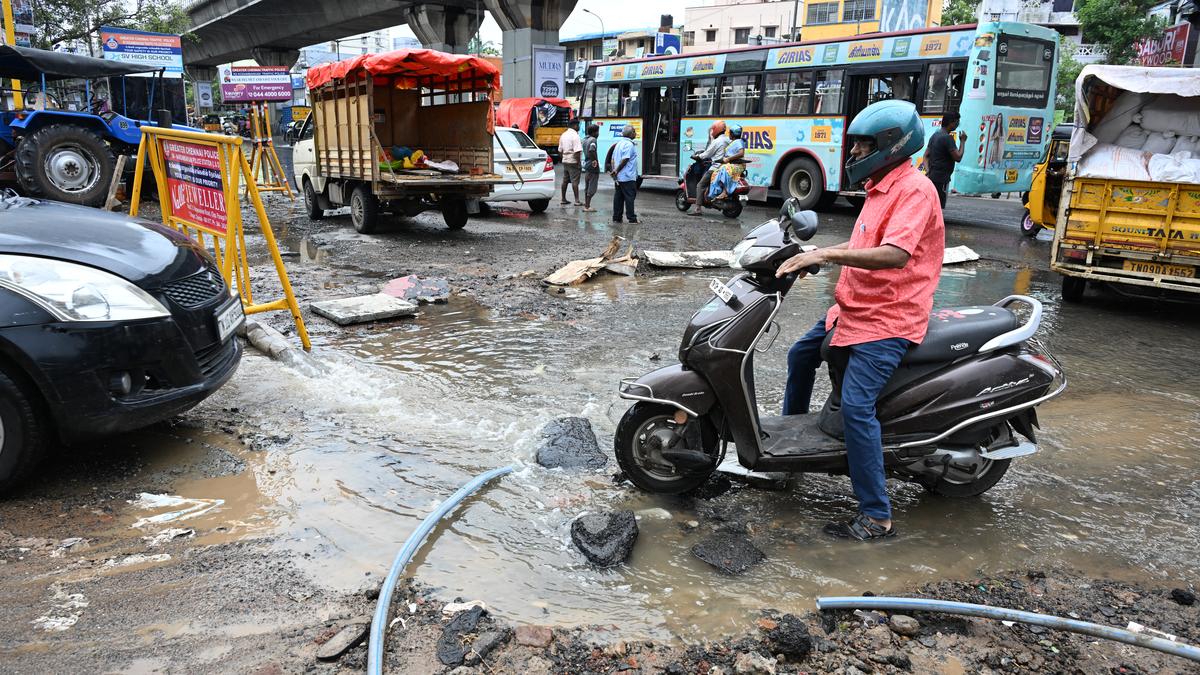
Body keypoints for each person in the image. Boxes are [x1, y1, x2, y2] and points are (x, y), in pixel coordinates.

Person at [775, 100, 944, 542]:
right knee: (799, 356)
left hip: (889, 316)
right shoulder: (878, 187)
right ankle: (788, 460)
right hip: (855, 307)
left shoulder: (914, 190)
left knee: (856, 406)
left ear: (891, 146)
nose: (853, 153)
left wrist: (828, 255)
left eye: (862, 145)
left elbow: (895, 254)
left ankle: (876, 515)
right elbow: (863, 247)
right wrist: (814, 255)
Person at [687, 121, 730, 216]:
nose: (712, 132)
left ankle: (698, 209)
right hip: (727, 168)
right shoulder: (728, 140)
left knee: (700, 185)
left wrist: (697, 156)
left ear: (716, 130)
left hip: (716, 168)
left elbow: (706, 154)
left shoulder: (716, 141)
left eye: (713, 130)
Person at [924, 112, 966, 209]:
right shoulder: (948, 138)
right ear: (951, 122)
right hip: (942, 179)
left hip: (932, 177)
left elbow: (926, 156)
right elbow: (958, 157)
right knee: (938, 206)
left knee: (932, 205)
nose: (957, 125)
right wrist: (962, 141)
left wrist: (928, 171)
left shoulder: (935, 135)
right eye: (957, 122)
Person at [707, 125, 748, 202]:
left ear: (732, 134)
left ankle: (725, 192)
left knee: (724, 168)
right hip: (732, 164)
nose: (728, 134)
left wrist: (728, 159)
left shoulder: (738, 141)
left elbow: (741, 153)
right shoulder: (733, 142)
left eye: (729, 133)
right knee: (715, 173)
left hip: (738, 165)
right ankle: (717, 193)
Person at [610, 124, 639, 224]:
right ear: (631, 134)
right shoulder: (629, 145)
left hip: (619, 177)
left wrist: (614, 171)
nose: (635, 133)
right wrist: (616, 170)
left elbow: (613, 159)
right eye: (634, 131)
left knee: (618, 197)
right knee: (630, 197)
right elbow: (625, 159)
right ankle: (632, 218)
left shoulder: (619, 143)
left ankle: (617, 218)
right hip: (627, 176)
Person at [558, 119, 583, 205]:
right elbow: (577, 151)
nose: (579, 127)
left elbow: (560, 150)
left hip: (565, 161)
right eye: (578, 125)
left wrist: (564, 158)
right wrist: (578, 163)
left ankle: (563, 199)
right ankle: (577, 200)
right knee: (575, 181)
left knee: (565, 180)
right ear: (575, 125)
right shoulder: (575, 136)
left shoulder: (563, 135)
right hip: (573, 161)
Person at [581, 123, 601, 213]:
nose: (598, 134)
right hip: (592, 165)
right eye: (597, 132)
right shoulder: (593, 140)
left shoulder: (585, 139)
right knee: (592, 186)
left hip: (587, 165)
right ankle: (587, 206)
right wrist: (594, 161)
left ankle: (587, 205)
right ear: (594, 132)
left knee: (587, 185)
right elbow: (592, 150)